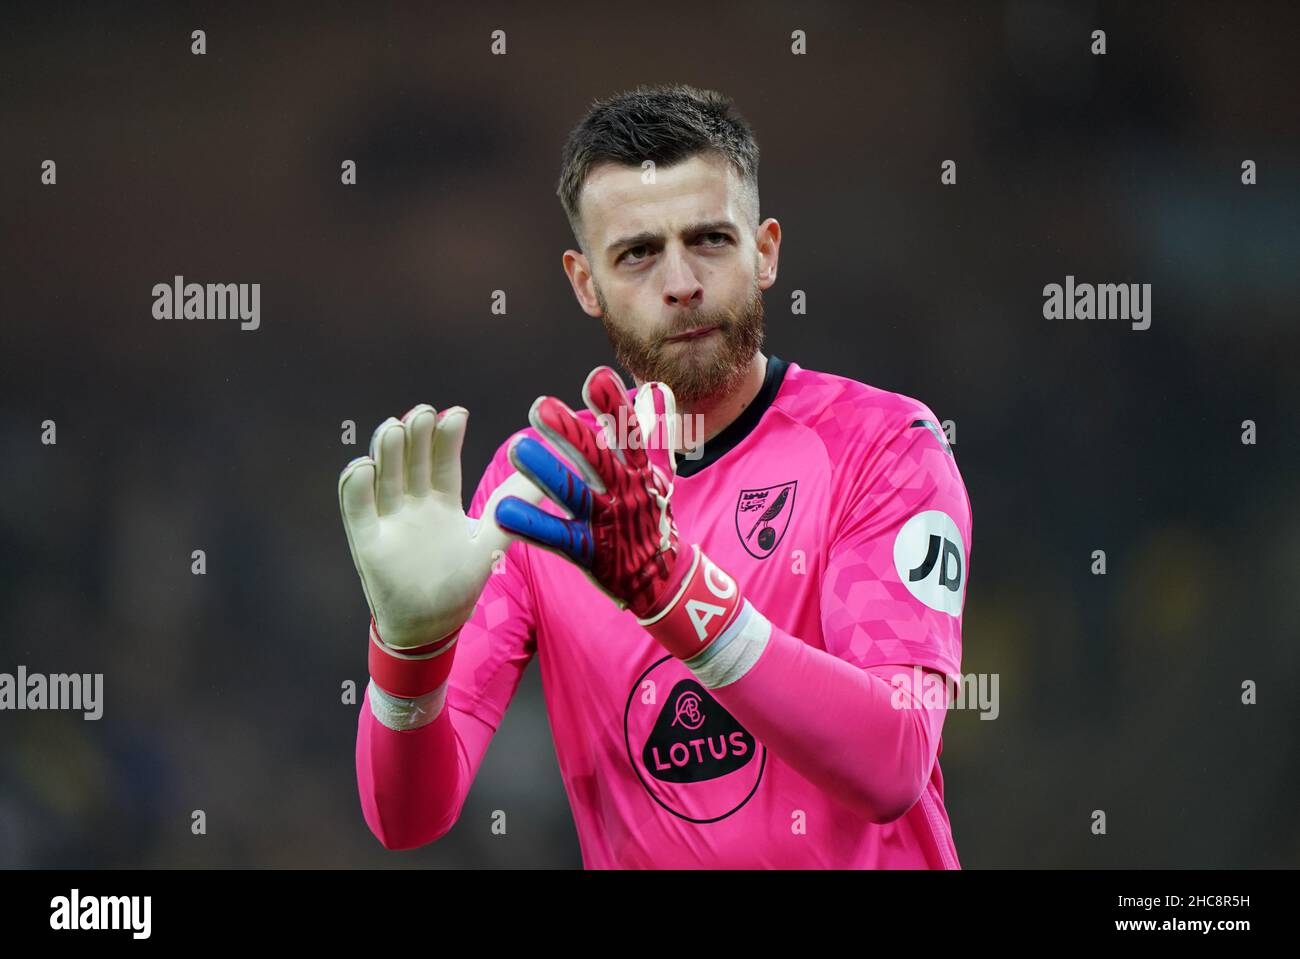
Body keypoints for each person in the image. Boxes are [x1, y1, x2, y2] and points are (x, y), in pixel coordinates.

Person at [339, 83, 972, 868]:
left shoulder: (882, 444)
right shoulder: (540, 488)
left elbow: (896, 760)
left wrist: (673, 593)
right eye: (637, 253)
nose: (681, 281)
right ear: (583, 281)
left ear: (766, 251)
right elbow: (408, 818)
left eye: (709, 239)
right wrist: (409, 654)